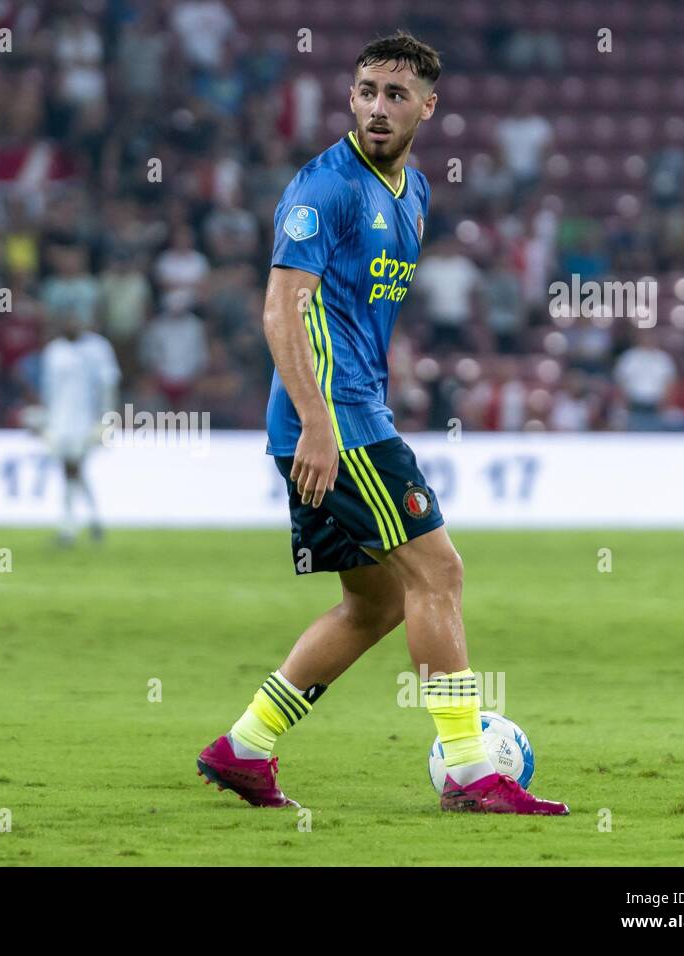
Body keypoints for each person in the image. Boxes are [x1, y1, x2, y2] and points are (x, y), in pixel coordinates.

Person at [196, 33, 568, 815]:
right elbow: (280, 311)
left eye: (395, 95)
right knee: (440, 575)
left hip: (351, 415)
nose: (375, 106)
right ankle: (472, 773)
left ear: (427, 107)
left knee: (375, 604)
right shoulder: (321, 190)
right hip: (339, 424)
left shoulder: (415, 193)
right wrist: (317, 422)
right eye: (366, 90)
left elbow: (356, 316)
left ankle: (245, 748)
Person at [39, 310, 119, 546]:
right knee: (74, 472)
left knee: (72, 471)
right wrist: (46, 420)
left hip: (85, 422)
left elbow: (108, 386)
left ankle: (68, 529)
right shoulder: (54, 351)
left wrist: (106, 420)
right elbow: (49, 389)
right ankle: (94, 522)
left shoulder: (98, 348)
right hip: (60, 422)